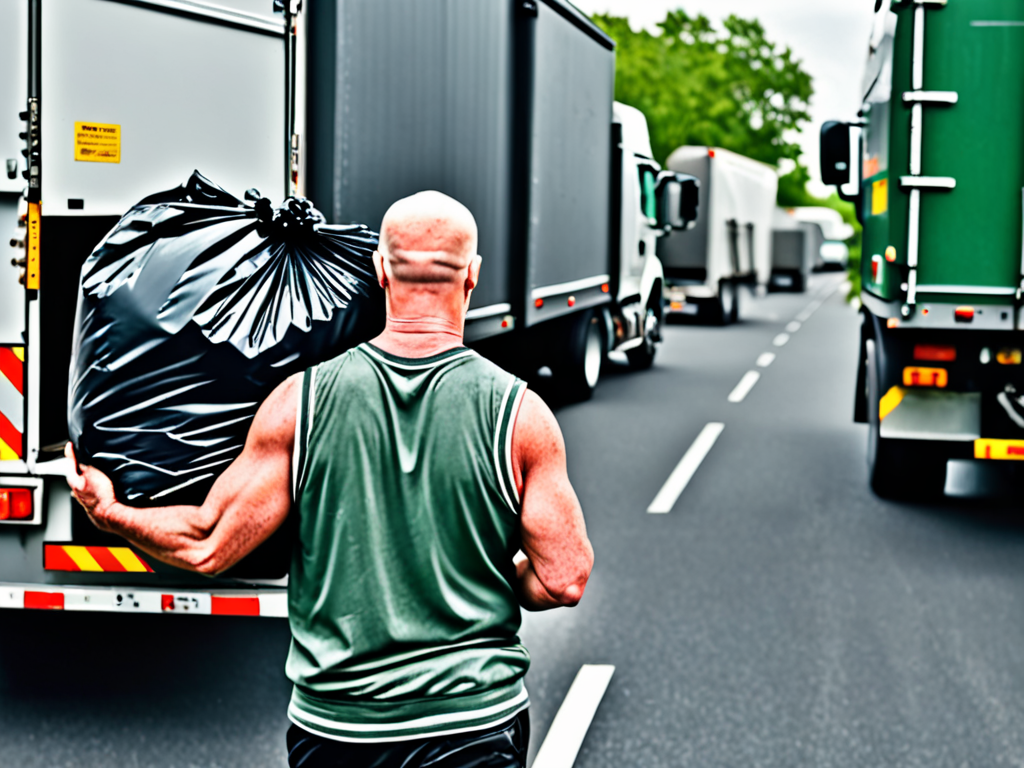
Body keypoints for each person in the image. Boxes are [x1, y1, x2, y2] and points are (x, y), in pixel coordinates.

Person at [66, 191, 594, 768]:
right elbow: (563, 579)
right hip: (471, 725)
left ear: (380, 270)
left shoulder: (300, 402)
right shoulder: (521, 417)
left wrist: (108, 510)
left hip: (339, 732)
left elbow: (207, 543)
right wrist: (491, 579)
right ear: (472, 277)